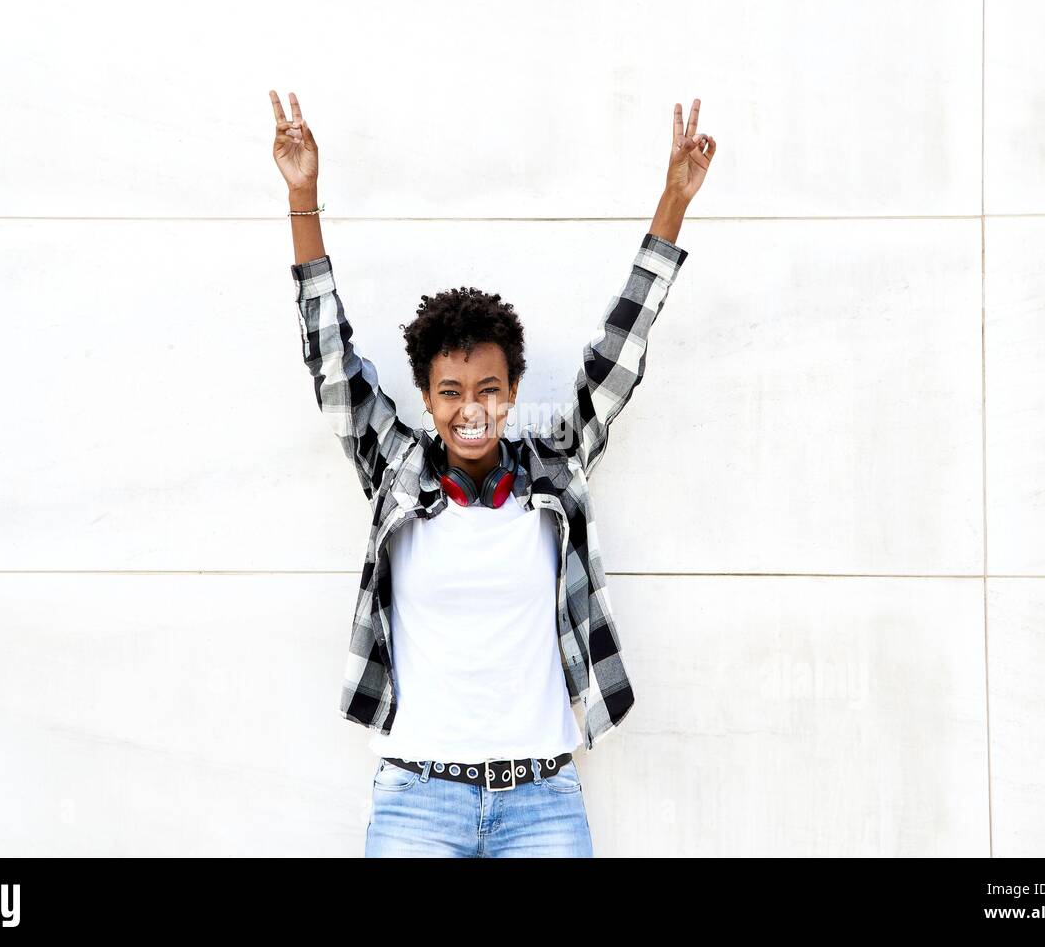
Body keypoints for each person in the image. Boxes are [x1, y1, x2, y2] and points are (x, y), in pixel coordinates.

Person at [269, 90, 715, 857]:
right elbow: (332, 361)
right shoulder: (397, 470)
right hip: (417, 799)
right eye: (450, 392)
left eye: (487, 390)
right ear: (426, 398)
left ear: (511, 394)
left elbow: (619, 352)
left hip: (541, 800)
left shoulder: (553, 468)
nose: (469, 411)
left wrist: (671, 205)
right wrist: (302, 197)